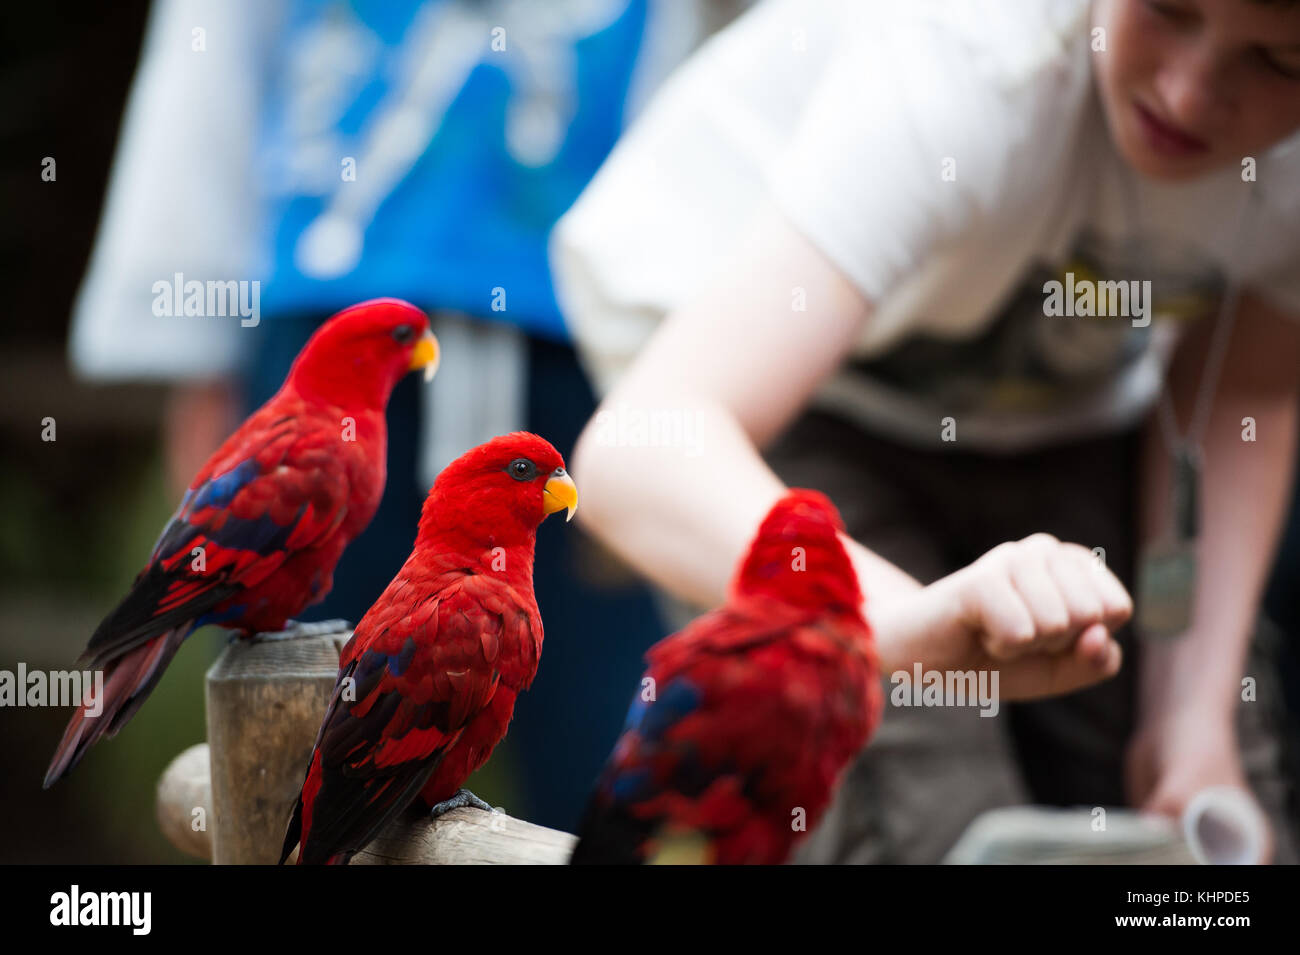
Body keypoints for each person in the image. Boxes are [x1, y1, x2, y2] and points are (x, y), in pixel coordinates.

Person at [553, 0, 1300, 861]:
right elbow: (642, 446)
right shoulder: (968, 67)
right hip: (779, 401)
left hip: (1057, 414)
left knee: (1204, 829)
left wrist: (1191, 715)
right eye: (1169, 11)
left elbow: (1241, 396)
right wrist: (907, 626)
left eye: (1279, 63)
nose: (1192, 93)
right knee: (938, 813)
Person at [67, 0, 744, 830]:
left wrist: (670, 393)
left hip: (581, 341)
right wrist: (197, 350)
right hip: (330, 325)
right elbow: (213, 56)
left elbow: (703, 99)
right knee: (299, 717)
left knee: (593, 746)